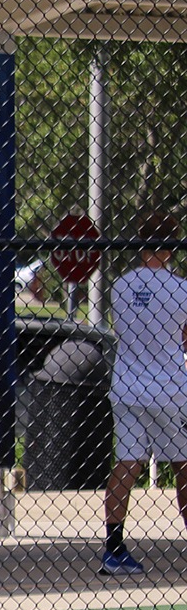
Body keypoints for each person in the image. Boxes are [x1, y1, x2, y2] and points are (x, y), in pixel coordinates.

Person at [101, 210, 187, 575]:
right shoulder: (181, 288)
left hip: (127, 385)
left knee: (127, 463)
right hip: (169, 387)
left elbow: (121, 328)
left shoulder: (121, 286)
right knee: (184, 464)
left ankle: (114, 547)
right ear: (171, 248)